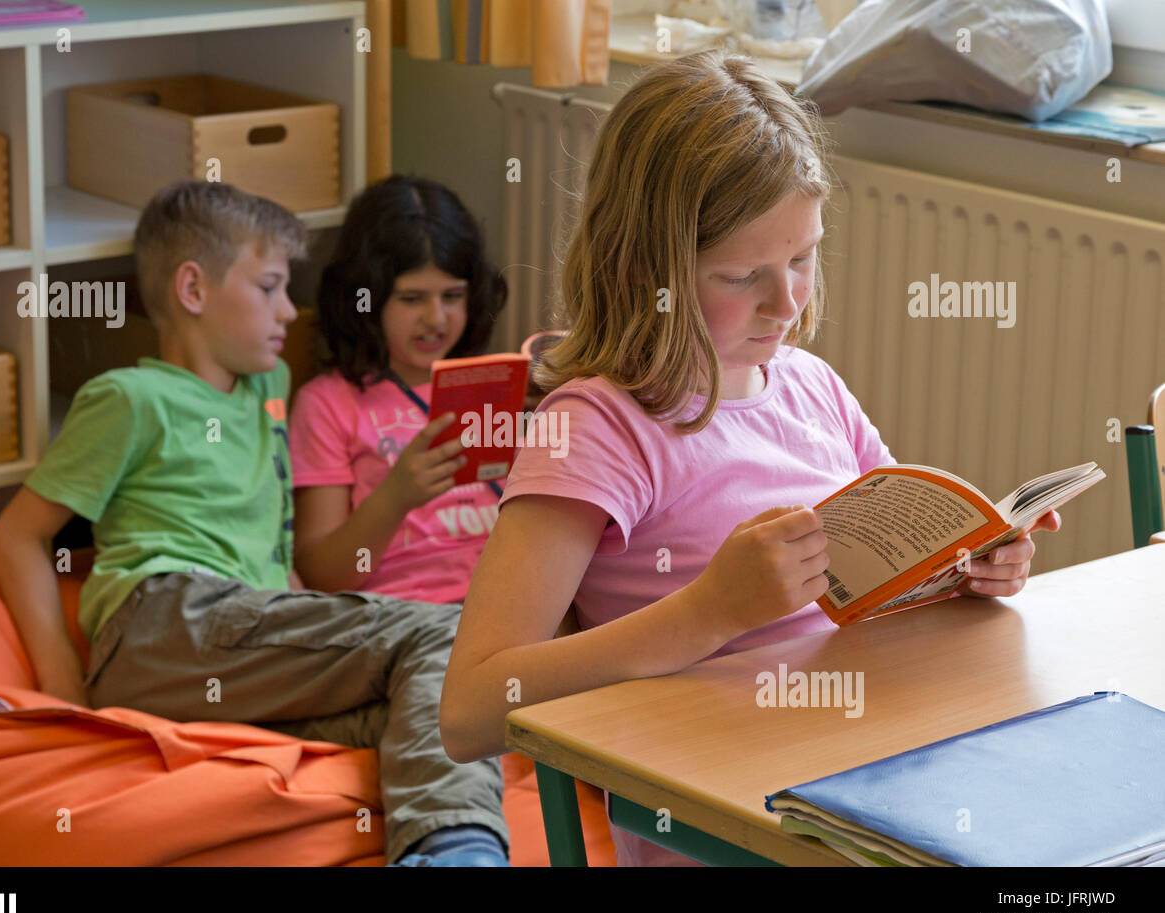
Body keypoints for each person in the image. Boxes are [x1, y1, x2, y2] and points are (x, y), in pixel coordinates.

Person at [437, 51, 1061, 866]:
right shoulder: (598, 429)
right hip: (732, 822)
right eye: (744, 275)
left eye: (803, 258)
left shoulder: (810, 388)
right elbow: (472, 710)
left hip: (867, 767)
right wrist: (711, 613)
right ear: (648, 268)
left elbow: (885, 578)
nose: (790, 300)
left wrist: (969, 572)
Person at [0, 180, 508, 867]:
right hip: (169, 620)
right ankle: (455, 859)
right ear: (193, 290)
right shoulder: (130, 399)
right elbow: (18, 534)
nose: (290, 312)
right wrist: (62, 686)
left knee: (438, 712)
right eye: (269, 288)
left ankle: (458, 851)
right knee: (450, 634)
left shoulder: (265, 389)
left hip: (235, 645)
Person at [288, 175, 509, 605]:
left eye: (452, 296)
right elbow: (321, 575)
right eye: (411, 299)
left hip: (506, 604)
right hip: (400, 614)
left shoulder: (493, 384)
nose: (436, 318)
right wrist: (395, 497)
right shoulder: (328, 404)